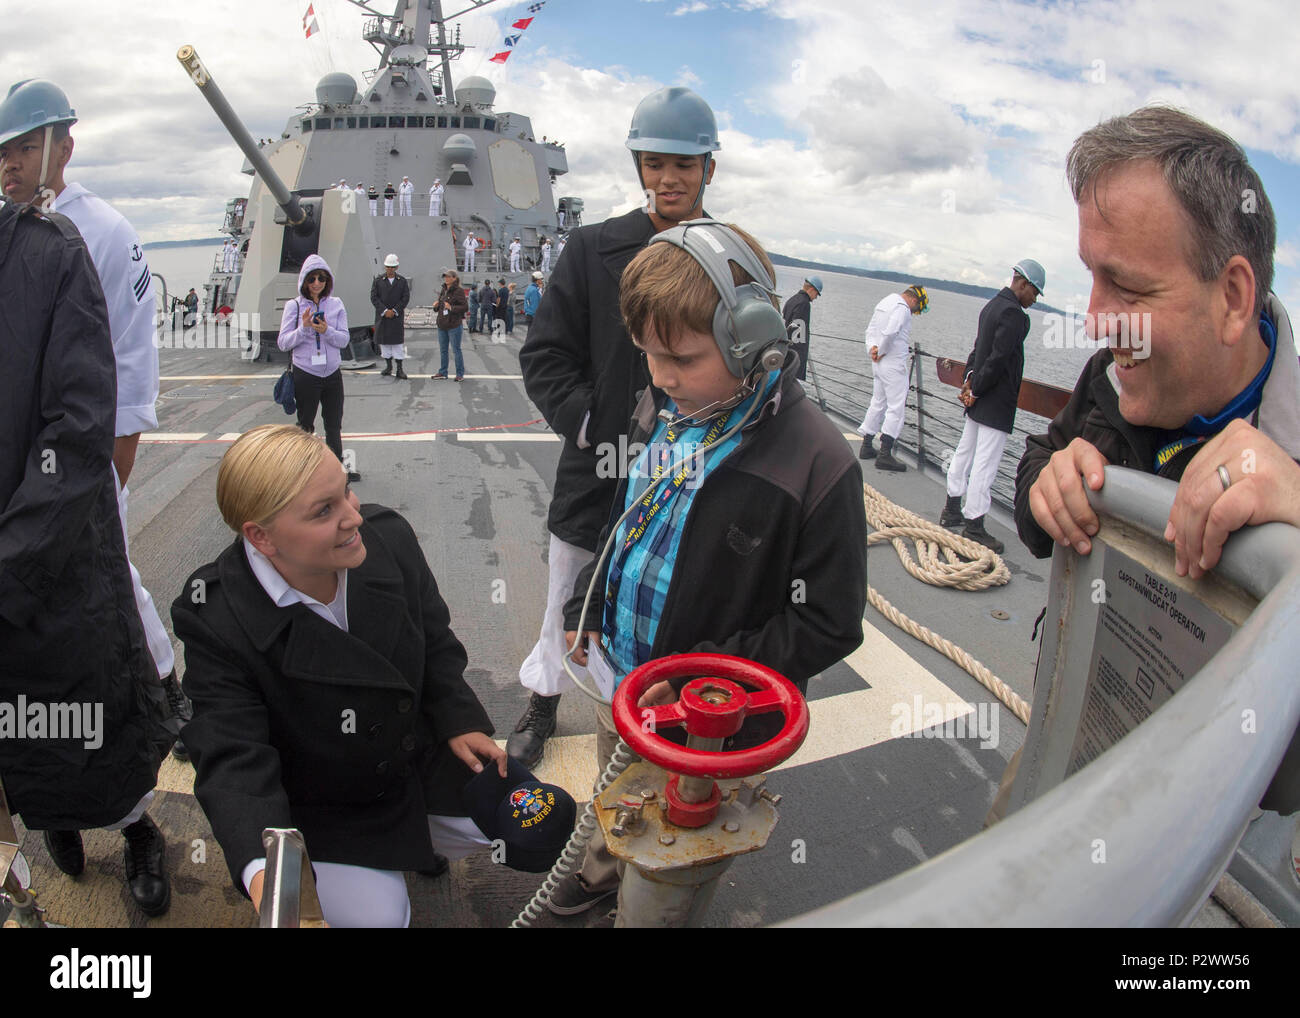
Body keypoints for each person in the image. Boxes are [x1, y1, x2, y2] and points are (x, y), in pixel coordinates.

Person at [549, 221, 867, 914]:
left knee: (670, 854)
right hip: (624, 684)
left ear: (752, 341)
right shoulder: (666, 407)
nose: (660, 378)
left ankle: (636, 896)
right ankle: (605, 873)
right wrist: (589, 605)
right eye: (649, 355)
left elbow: (829, 622)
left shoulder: (819, 463)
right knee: (620, 795)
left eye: (682, 359)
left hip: (700, 722)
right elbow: (626, 517)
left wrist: (702, 681)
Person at [993, 105, 1300, 824]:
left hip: (1213, 814)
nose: (1096, 320)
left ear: (1232, 297)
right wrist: (1048, 485)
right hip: (1075, 732)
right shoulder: (1112, 376)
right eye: (1090, 279)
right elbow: (1042, 457)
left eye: (1127, 290)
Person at [171, 425, 506, 927]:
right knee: (378, 920)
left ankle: (417, 844)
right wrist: (277, 885)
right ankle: (397, 856)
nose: (354, 517)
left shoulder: (387, 537)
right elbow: (231, 755)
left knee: (540, 820)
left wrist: (460, 718)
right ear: (260, 537)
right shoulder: (216, 615)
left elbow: (435, 640)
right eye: (323, 511)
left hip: (414, 762)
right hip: (327, 809)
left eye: (346, 488)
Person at [513, 87, 722, 772]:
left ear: (708, 172)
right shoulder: (593, 248)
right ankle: (544, 700)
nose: (669, 179)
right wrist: (590, 427)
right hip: (596, 467)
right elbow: (545, 356)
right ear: (639, 166)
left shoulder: (725, 259)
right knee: (565, 589)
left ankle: (650, 716)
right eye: (656, 163)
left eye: (684, 166)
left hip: (685, 477)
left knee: (660, 598)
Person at [0, 79, 192, 774]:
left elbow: (131, 370)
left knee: (108, 588)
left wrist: (109, 474)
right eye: (4, 150)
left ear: (63, 148)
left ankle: (164, 704)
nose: (11, 163)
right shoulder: (6, 231)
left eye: (25, 147)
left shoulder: (103, 233)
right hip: (17, 458)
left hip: (79, 458)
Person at [0, 183, 173, 917]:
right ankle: (57, 823)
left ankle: (137, 831)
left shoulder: (55, 249)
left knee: (87, 701)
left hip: (48, 544)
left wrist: (13, 563)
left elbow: (80, 420)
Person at [940, 260, 1043, 552]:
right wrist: (978, 390)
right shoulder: (1015, 316)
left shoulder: (991, 307)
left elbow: (978, 350)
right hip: (995, 403)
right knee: (986, 462)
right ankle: (974, 525)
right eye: (1035, 292)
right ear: (1022, 283)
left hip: (980, 397)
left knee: (964, 453)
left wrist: (970, 382)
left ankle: (951, 509)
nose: (1034, 300)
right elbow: (998, 359)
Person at [277, 254, 360, 483]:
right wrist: (304, 328)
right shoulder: (293, 305)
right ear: (304, 280)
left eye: (321, 278)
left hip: (332, 373)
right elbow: (283, 342)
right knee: (305, 425)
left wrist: (326, 331)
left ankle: (337, 470)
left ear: (327, 280)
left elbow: (343, 340)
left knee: (334, 423)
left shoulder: (336, 304)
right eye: (311, 278)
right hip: (306, 373)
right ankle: (302, 471)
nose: (316, 283)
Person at [857, 283, 928, 470]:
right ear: (914, 299)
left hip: (878, 364)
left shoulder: (886, 301)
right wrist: (881, 350)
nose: (914, 313)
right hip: (893, 364)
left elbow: (871, 330)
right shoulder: (902, 308)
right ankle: (885, 454)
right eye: (917, 308)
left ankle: (866, 445)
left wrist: (872, 349)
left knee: (877, 402)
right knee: (895, 408)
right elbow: (890, 332)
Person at [371, 253, 411, 379]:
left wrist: (394, 310)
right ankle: (388, 367)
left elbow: (405, 298)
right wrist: (384, 311)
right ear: (385, 267)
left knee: (397, 344)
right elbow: (374, 297)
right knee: (385, 344)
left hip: (396, 317)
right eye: (388, 267)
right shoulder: (378, 281)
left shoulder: (402, 281)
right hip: (383, 318)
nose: (390, 269)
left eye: (392, 267)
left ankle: (399, 369)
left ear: (397, 267)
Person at [781, 275, 822, 382]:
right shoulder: (804, 304)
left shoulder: (792, 299)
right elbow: (799, 333)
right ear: (812, 290)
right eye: (817, 294)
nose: (816, 297)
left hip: (785, 349)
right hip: (794, 352)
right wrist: (798, 360)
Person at [433, 267, 469, 380]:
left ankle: (460, 374)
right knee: (443, 350)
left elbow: (465, 307)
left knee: (456, 350)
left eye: (449, 276)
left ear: (454, 278)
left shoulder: (458, 291)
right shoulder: (444, 290)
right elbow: (441, 305)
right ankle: (443, 372)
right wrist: (436, 305)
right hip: (442, 324)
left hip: (454, 325)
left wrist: (451, 307)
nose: (446, 278)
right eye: (445, 276)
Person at [478, 278, 497, 345]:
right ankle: (490, 330)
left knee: (482, 318)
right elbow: (494, 300)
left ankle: (481, 330)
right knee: (489, 318)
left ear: (485, 283)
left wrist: (482, 302)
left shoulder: (481, 290)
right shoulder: (492, 291)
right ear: (489, 284)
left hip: (483, 305)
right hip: (489, 306)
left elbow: (479, 299)